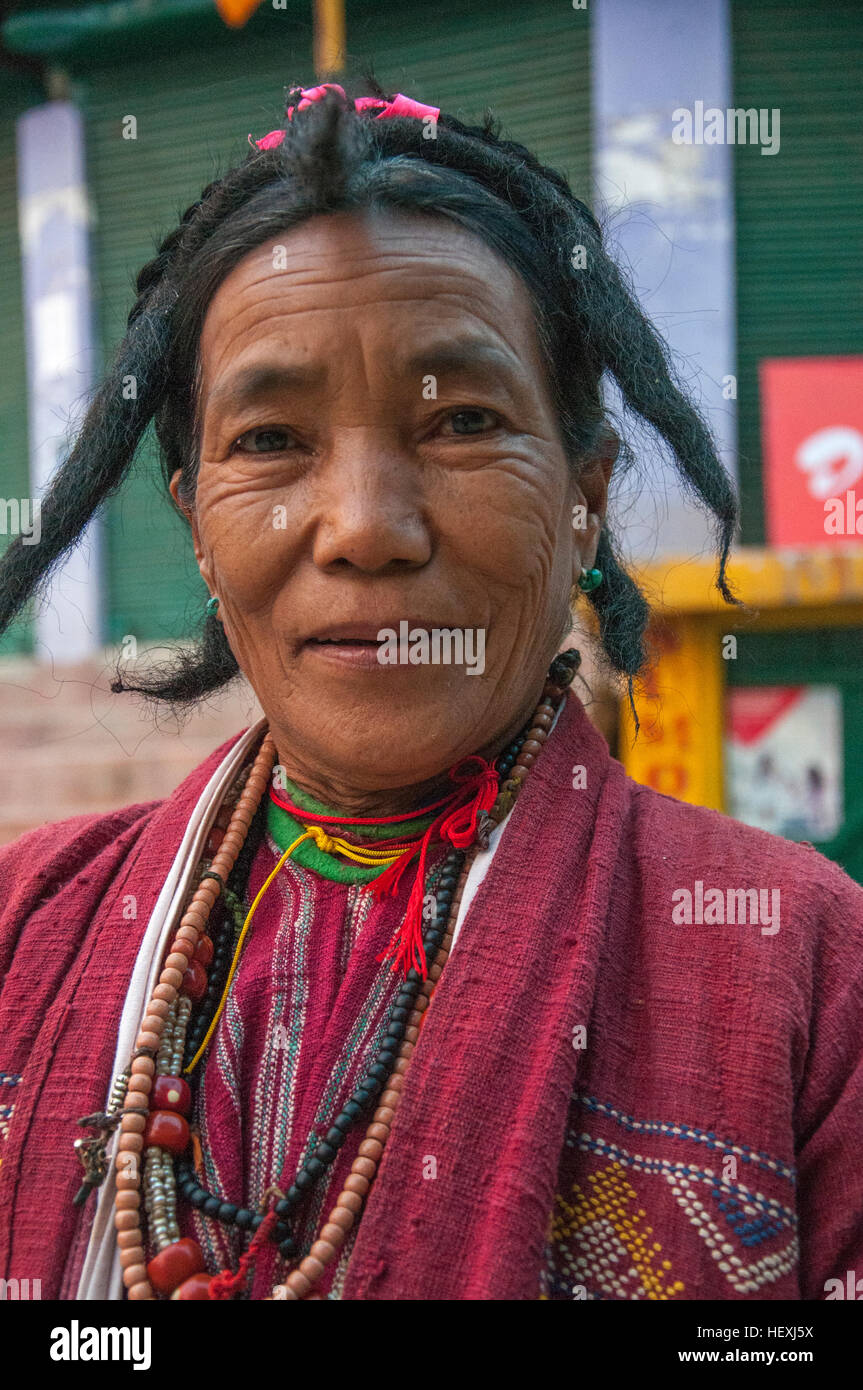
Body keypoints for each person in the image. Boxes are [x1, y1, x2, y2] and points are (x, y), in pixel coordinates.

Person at [0, 81, 860, 1302]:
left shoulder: (806, 971)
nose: (364, 528)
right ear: (195, 525)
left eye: (461, 420)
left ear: (586, 500)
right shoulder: (23, 934)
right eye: (269, 440)